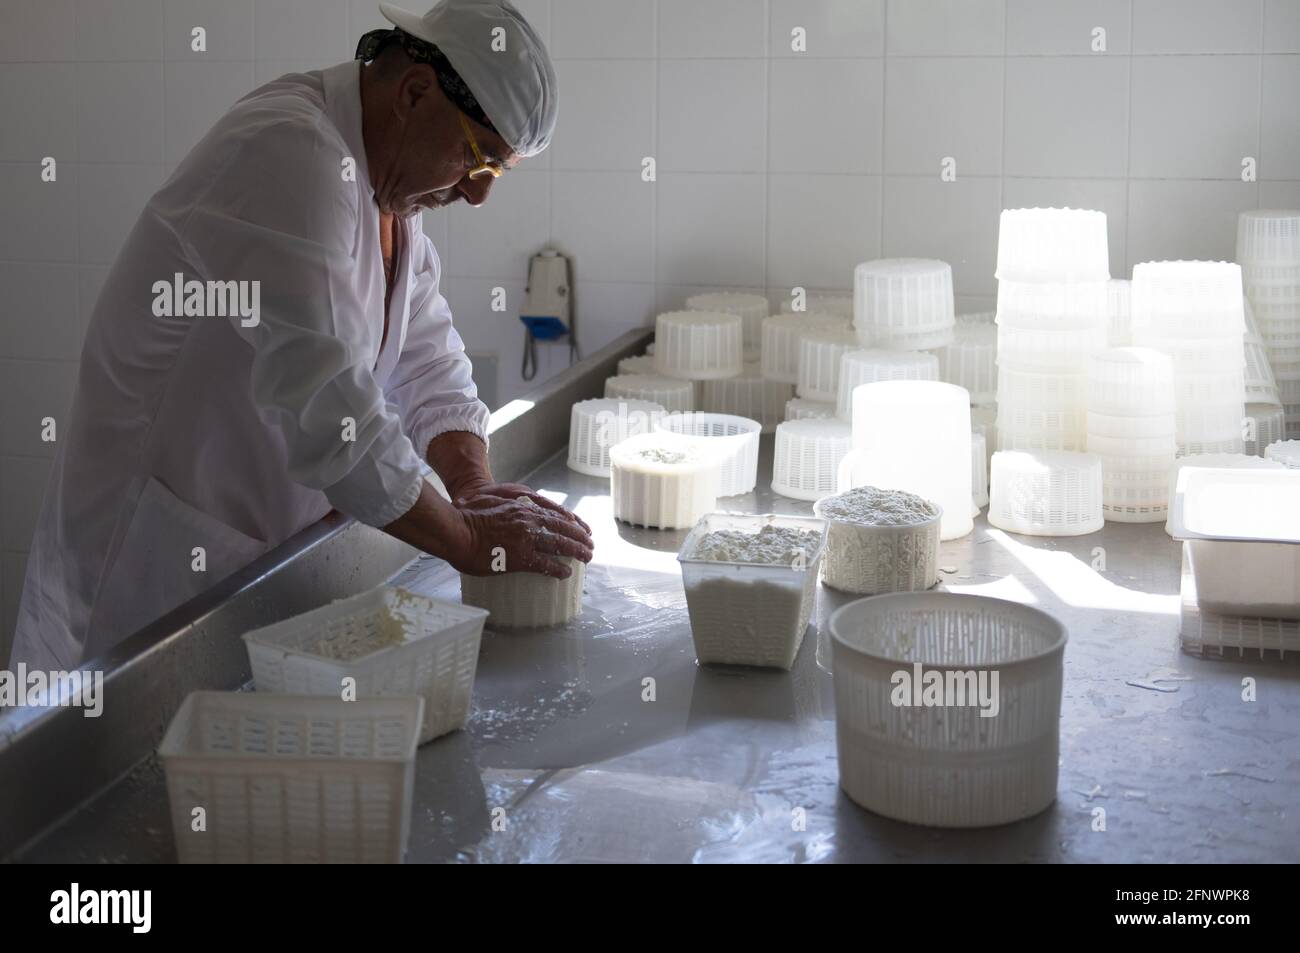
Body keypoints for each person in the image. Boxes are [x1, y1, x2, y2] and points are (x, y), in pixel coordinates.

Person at [10, 0, 591, 670]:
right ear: (414, 91)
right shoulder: (290, 154)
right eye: (478, 159)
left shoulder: (385, 186)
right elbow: (332, 409)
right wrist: (464, 538)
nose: (478, 193)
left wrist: (474, 487)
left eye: (497, 171)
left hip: (246, 572)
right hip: (146, 579)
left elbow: (429, 357)